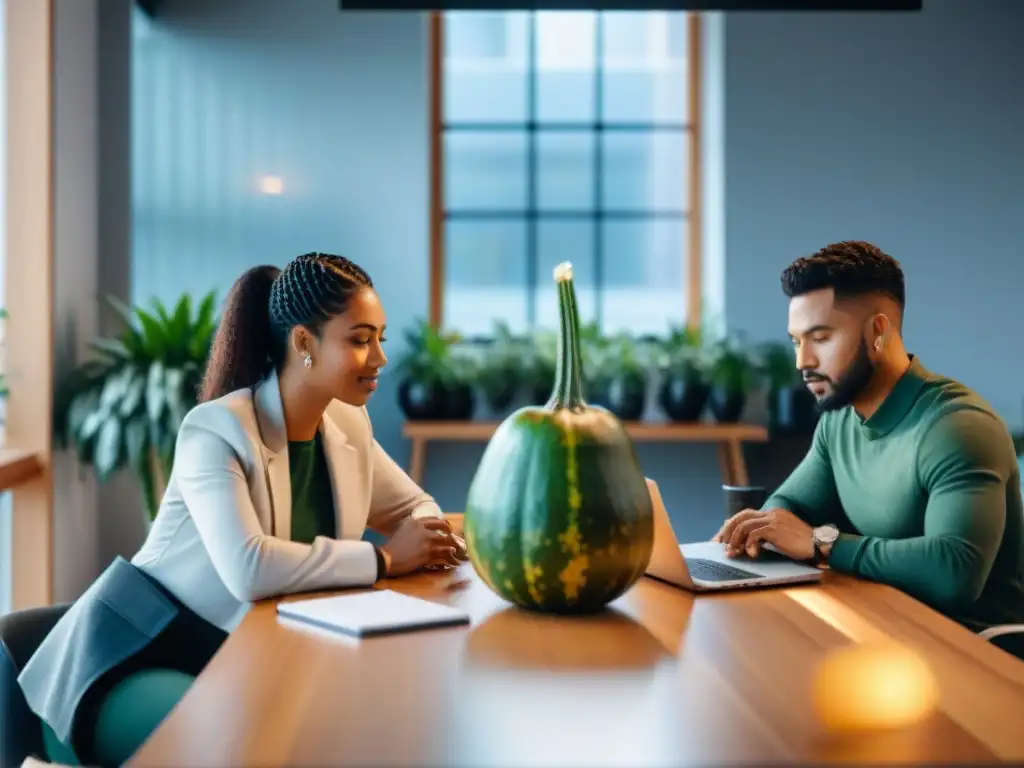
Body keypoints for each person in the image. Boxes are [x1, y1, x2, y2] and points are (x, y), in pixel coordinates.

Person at [18, 253, 467, 767]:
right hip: (131, 659)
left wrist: (427, 537)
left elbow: (414, 507)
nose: (380, 358)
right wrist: (385, 559)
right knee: (256, 750)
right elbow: (247, 567)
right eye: (361, 340)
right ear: (304, 343)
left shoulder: (345, 424)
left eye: (380, 338)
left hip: (234, 658)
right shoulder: (215, 430)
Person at [714, 240, 1024, 635]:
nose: (802, 361)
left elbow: (954, 572)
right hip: (884, 626)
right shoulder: (839, 422)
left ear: (878, 332)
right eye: (796, 341)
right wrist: (763, 530)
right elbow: (789, 508)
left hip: (974, 646)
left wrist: (821, 543)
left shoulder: (958, 427)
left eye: (820, 338)